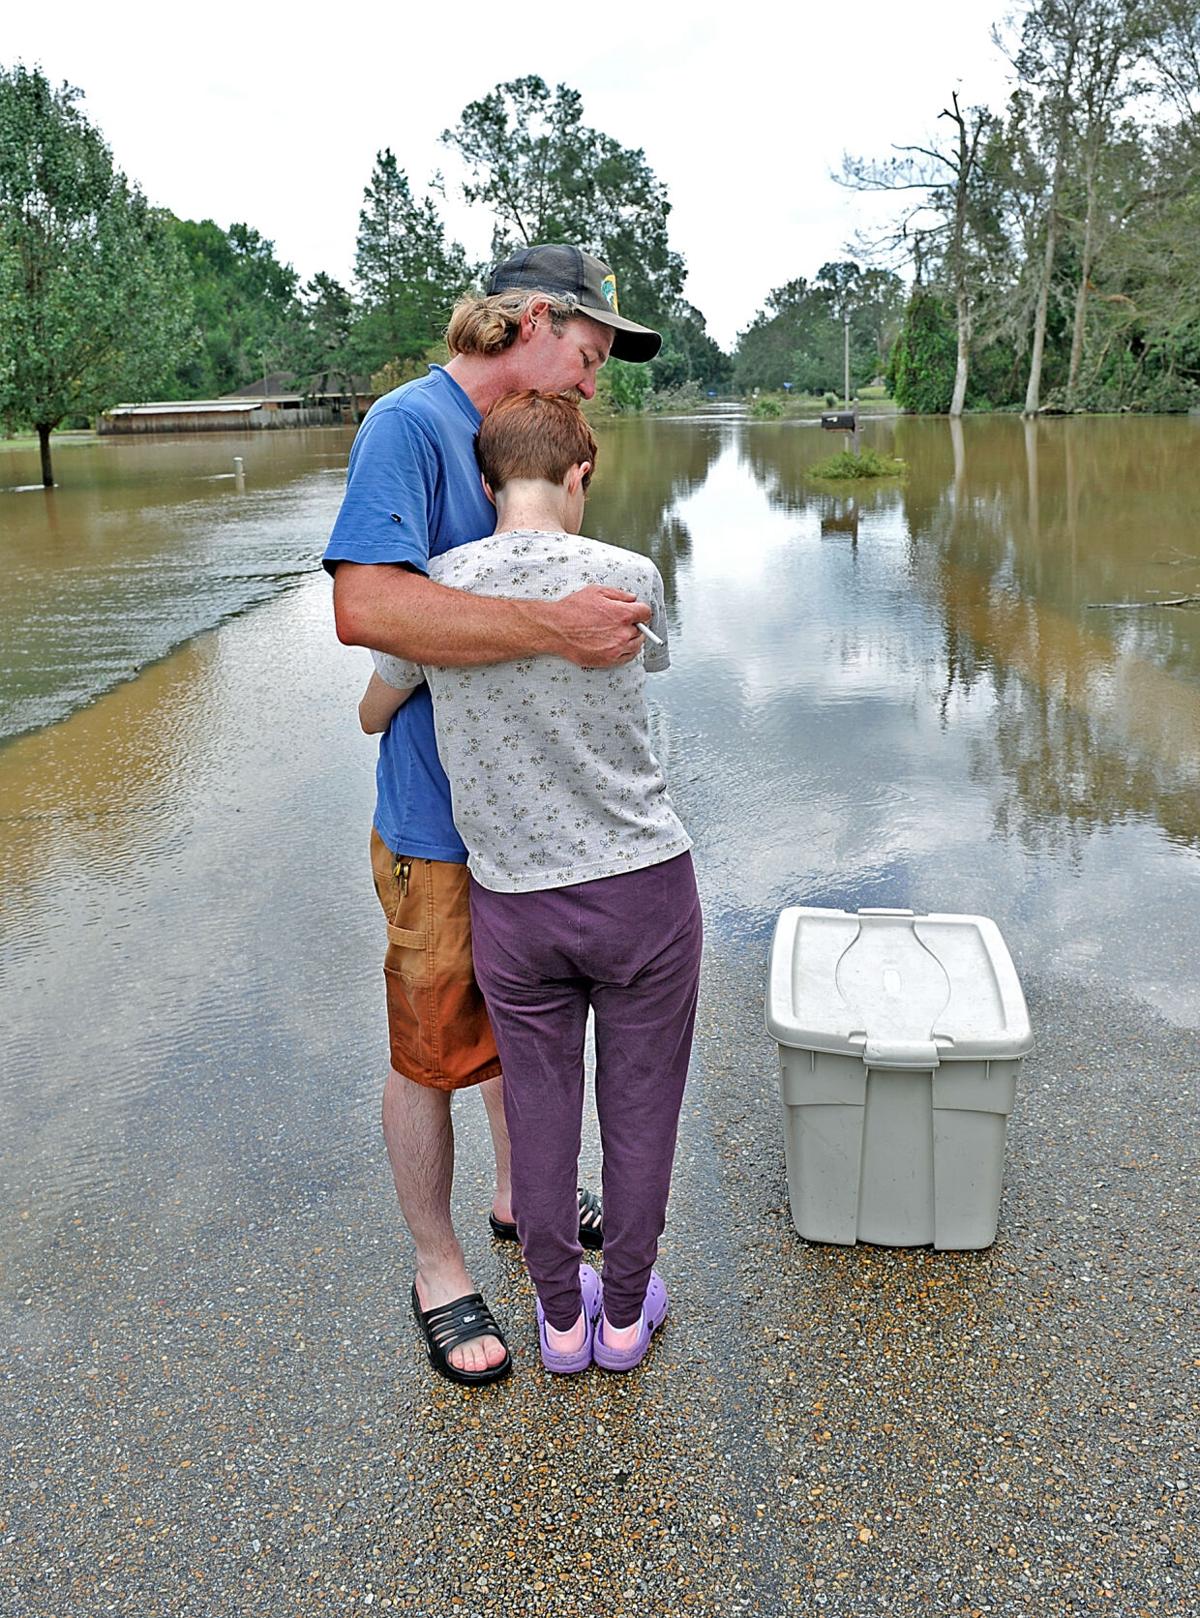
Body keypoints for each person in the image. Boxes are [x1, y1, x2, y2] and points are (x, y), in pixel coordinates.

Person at [325, 244, 663, 1386]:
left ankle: (527, 1199)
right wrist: (552, 625)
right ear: (528, 322)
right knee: (428, 1052)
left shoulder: (512, 448)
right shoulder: (408, 429)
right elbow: (365, 605)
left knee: (530, 1033)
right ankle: (439, 1266)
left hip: (530, 828)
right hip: (436, 825)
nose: (592, 378)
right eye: (588, 349)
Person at [362, 390, 703, 1375]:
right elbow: (654, 663)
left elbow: (378, 706)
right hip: (643, 888)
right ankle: (627, 1316)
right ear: (581, 474)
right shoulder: (626, 573)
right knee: (642, 1109)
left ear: (482, 483)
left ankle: (560, 1321)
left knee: (544, 1114)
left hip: (516, 902)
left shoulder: (438, 590)